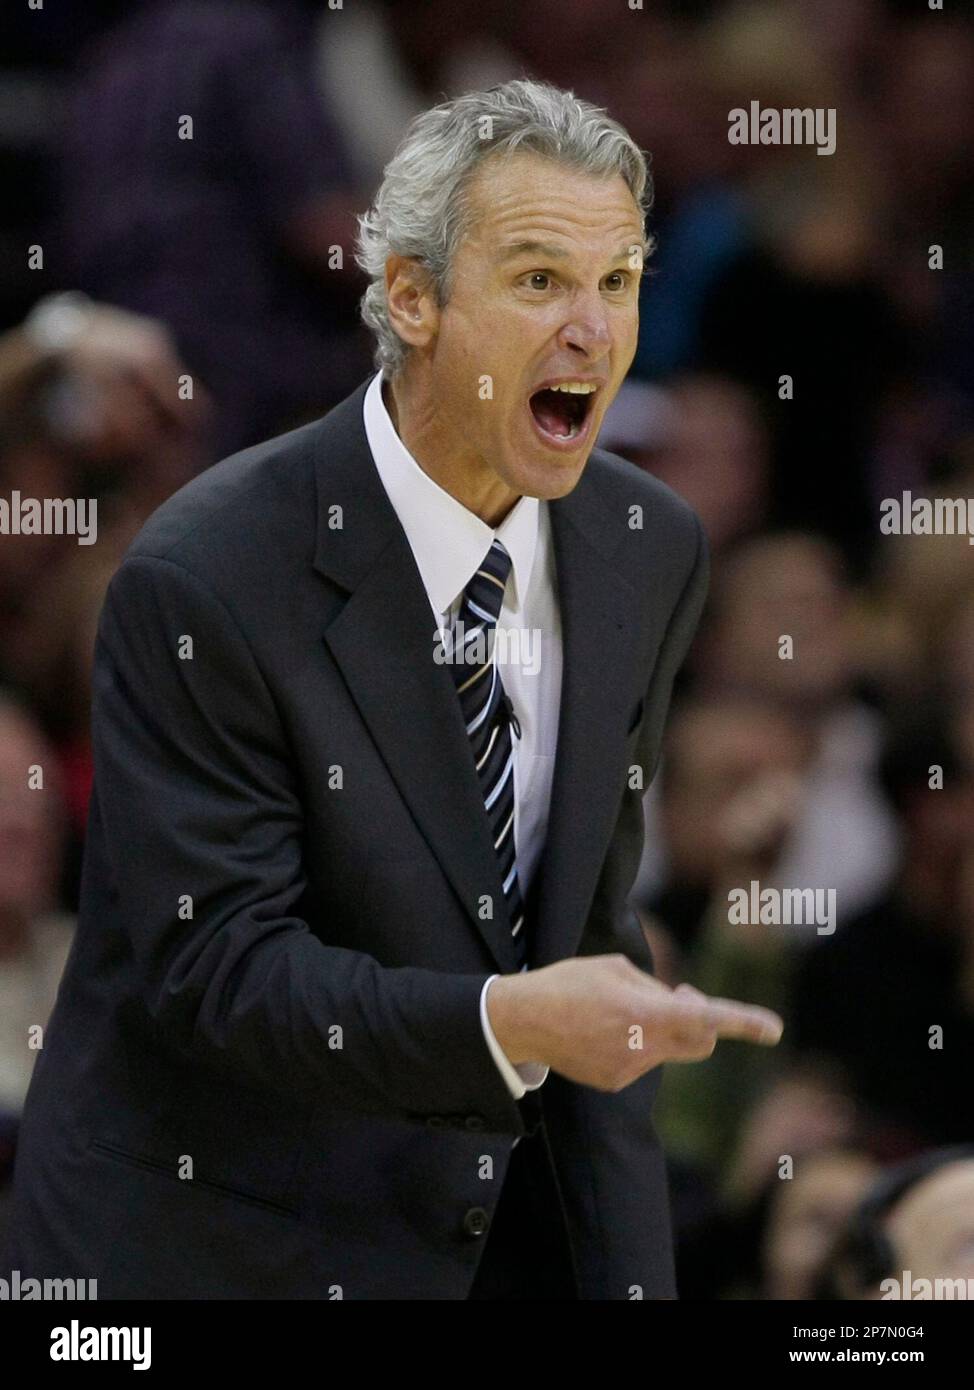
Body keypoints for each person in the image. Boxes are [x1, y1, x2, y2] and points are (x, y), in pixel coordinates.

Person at [2, 79, 782, 1301]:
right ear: (411, 298)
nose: (591, 330)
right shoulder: (209, 575)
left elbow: (583, 938)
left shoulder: (646, 544)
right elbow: (220, 970)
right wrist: (511, 1021)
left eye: (618, 281)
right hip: (205, 1248)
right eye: (537, 281)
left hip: (460, 1230)